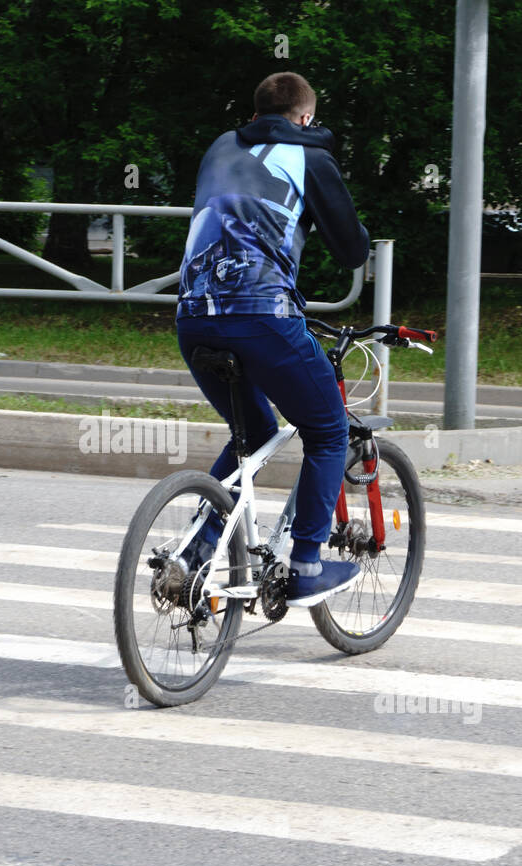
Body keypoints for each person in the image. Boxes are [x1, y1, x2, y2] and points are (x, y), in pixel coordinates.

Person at [175, 71, 371, 606]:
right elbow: (352, 250)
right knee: (328, 430)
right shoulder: (312, 158)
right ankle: (306, 566)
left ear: (257, 111)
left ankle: (192, 556)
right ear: (306, 118)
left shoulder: (220, 145)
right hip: (262, 315)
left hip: (192, 316)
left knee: (255, 430)